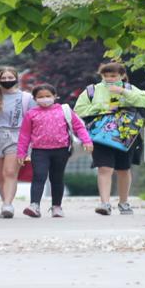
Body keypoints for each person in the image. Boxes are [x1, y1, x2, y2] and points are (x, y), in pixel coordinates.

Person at [75, 61, 145, 216]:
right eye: (106, 76)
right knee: (104, 168)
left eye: (114, 75)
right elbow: (79, 110)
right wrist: (103, 108)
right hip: (101, 136)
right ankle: (104, 203)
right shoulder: (92, 90)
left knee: (124, 169)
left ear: (122, 75)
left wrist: (123, 92)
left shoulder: (131, 89)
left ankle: (124, 202)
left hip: (126, 134)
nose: (110, 79)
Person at [16, 84, 92, 218]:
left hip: (61, 150)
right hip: (39, 151)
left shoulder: (64, 110)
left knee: (56, 178)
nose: (44, 99)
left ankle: (57, 206)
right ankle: (34, 205)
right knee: (39, 176)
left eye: (47, 96)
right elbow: (25, 134)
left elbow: (78, 127)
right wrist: (21, 152)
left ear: (55, 97)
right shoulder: (31, 114)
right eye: (40, 97)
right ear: (35, 99)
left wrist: (86, 141)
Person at [0, 66, 34, 218]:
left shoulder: (26, 98)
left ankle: (8, 204)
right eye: (4, 78)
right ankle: (5, 202)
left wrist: (31, 141)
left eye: (10, 78)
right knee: (0, 175)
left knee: (9, 172)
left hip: (17, 136)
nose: (7, 81)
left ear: (16, 79)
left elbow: (32, 120)